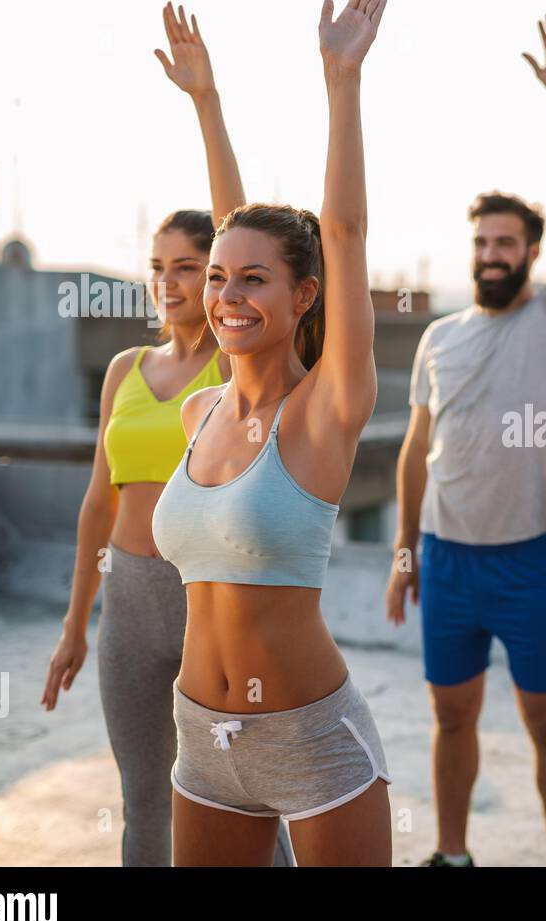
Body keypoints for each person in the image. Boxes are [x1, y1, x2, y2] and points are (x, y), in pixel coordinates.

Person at [41, 3, 291, 867]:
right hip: (128, 606)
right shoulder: (123, 371)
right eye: (160, 268)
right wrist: (76, 624)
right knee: (144, 803)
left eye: (190, 267)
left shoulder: (230, 367)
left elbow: (239, 221)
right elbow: (94, 506)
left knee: (246, 799)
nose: (172, 282)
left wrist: (206, 101)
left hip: (209, 598)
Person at [151, 0, 391, 866]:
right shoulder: (200, 411)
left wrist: (342, 80)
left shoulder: (326, 413)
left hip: (310, 742)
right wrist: (206, 103)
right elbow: (234, 226)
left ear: (307, 296)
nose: (228, 297)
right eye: (217, 280)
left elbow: (344, 234)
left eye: (257, 281)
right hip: (200, 740)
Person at [384, 14, 546, 867]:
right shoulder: (439, 338)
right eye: (481, 242)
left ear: (534, 253)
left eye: (507, 241)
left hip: (531, 561)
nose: (491, 253)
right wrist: (404, 548)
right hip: (448, 559)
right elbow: (414, 450)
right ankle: (452, 853)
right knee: (450, 716)